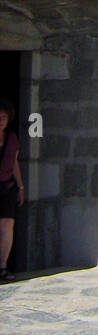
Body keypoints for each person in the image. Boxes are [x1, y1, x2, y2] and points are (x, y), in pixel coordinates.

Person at [0, 99, 24, 281]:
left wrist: (20, 186)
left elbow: (14, 162)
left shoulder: (12, 138)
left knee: (7, 224)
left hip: (7, 186)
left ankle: (3, 266)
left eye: (4, 117)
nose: (1, 120)